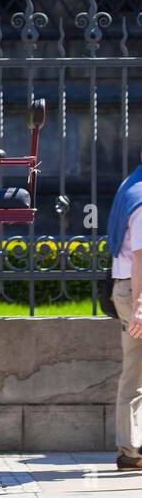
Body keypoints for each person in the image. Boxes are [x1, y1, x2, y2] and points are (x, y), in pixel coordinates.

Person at [106, 162, 142, 469]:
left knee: (133, 372)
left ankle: (131, 450)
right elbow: (141, 257)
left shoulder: (128, 188)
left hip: (124, 290)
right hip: (136, 291)